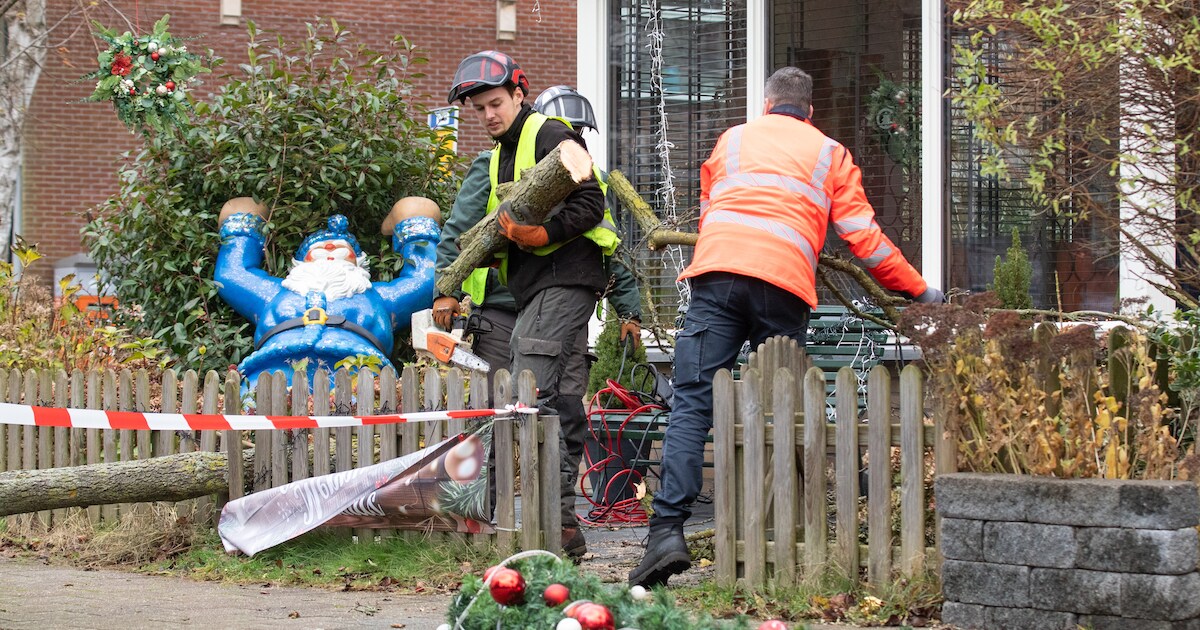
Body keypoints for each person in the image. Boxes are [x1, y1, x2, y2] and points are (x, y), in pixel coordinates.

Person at [628, 67, 944, 588]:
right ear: (810, 111)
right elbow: (863, 239)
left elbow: (713, 213)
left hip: (717, 277)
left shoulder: (732, 140)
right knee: (783, 407)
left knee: (691, 403)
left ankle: (666, 532)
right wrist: (919, 291)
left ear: (767, 103)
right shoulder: (829, 154)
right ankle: (781, 535)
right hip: (783, 285)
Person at [433, 52, 621, 560]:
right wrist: (454, 279)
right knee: (555, 401)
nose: (489, 114)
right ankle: (561, 529)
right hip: (536, 287)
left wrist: (543, 233)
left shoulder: (551, 134)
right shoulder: (499, 155)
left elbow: (591, 206)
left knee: (528, 383)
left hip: (566, 279)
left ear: (519, 93)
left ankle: (549, 527)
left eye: (495, 103)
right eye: (479, 109)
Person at [215, 197, 441, 390]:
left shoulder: (377, 298)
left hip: (360, 376)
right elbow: (233, 274)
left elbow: (423, 280)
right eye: (319, 250)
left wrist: (414, 223)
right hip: (271, 372)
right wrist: (242, 225)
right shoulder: (274, 294)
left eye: (343, 250)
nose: (331, 251)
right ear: (299, 263)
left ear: (359, 263)